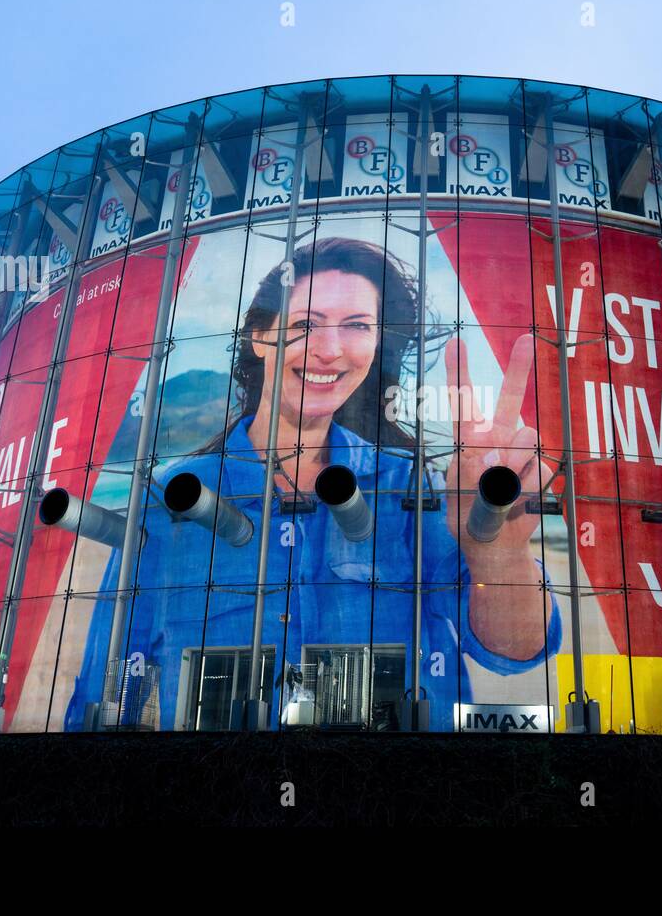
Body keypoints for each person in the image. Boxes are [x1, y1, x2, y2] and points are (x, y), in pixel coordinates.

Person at [66, 237, 561, 732]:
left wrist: (497, 548)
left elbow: (513, 652)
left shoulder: (409, 485)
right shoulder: (166, 500)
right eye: (306, 324)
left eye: (357, 326)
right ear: (260, 337)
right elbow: (105, 695)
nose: (328, 350)